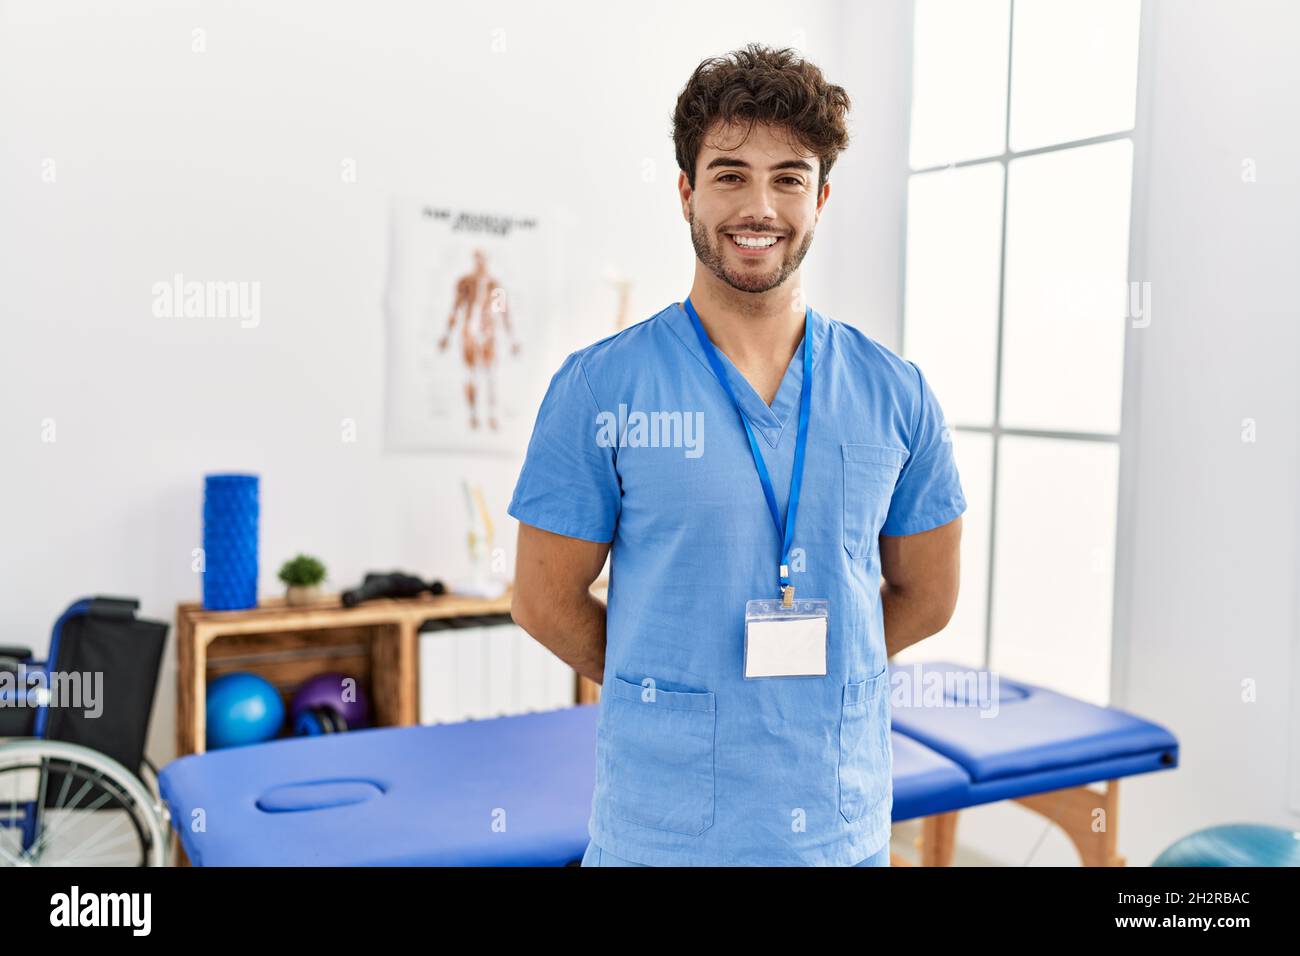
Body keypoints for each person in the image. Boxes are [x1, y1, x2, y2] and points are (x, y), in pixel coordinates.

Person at [509, 43, 965, 866]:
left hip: (841, 830)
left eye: (788, 177)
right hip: (662, 837)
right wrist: (667, 679)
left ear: (821, 197)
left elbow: (928, 597)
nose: (760, 206)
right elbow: (543, 601)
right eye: (730, 175)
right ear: (687, 191)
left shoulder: (896, 394)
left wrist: (822, 674)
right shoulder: (601, 388)